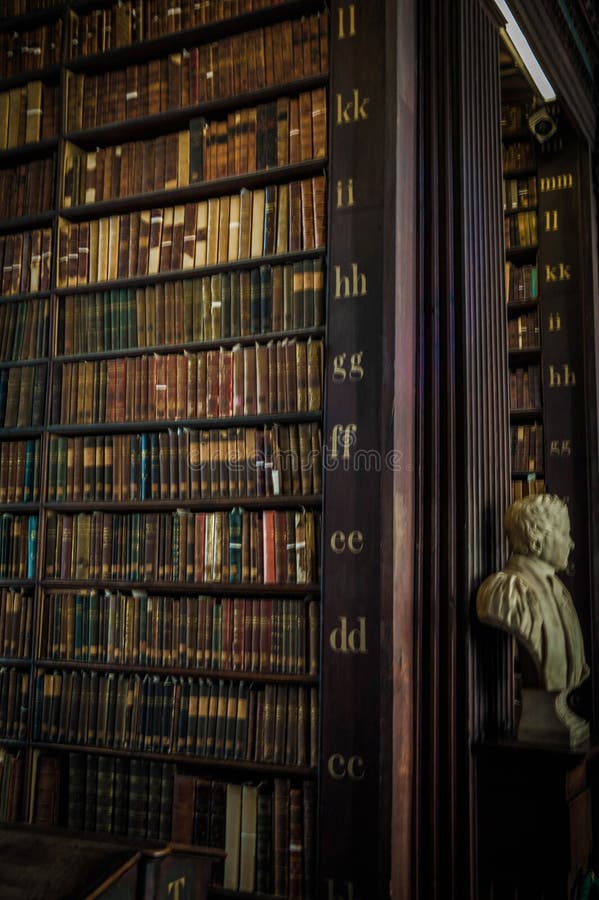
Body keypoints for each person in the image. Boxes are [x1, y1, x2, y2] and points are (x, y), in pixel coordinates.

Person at [477, 494, 588, 693]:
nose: (571, 543)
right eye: (564, 534)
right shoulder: (506, 591)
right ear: (536, 541)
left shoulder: (560, 591)